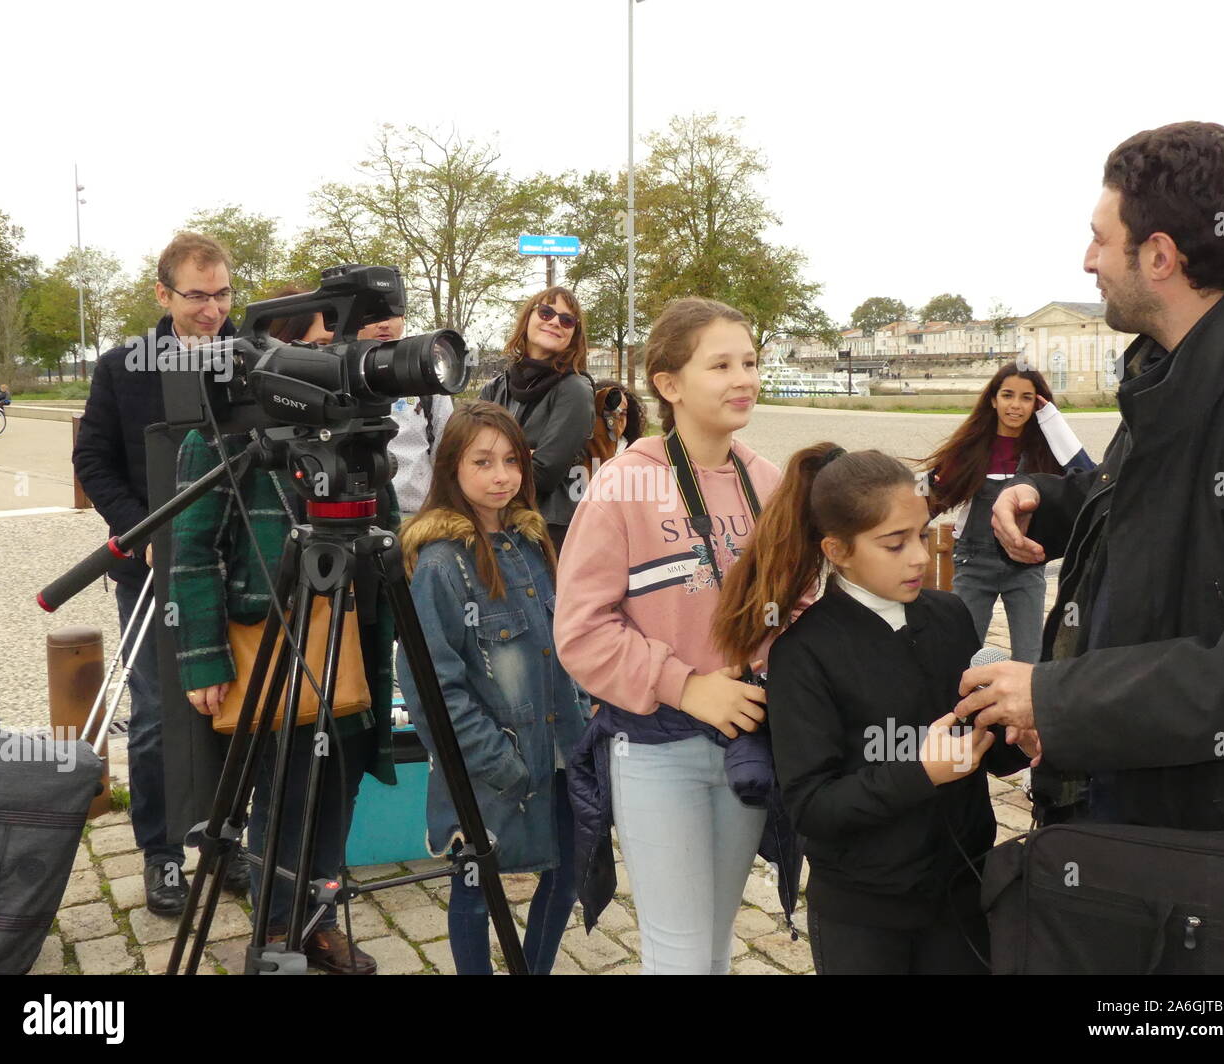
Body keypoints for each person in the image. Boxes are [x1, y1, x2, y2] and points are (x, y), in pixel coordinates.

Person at [970, 121, 1224, 831]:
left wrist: (1058, 700)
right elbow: (1162, 503)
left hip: (1206, 843)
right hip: (1132, 805)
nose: (1087, 260)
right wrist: (1046, 502)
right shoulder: (1175, 365)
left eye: (1101, 238)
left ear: (1160, 256)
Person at [712, 444, 1032, 973]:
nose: (918, 556)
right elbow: (813, 806)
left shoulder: (950, 616)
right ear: (837, 550)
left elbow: (982, 747)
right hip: (864, 914)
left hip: (963, 892)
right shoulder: (803, 653)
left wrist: (1016, 736)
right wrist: (921, 772)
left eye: (923, 535)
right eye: (894, 543)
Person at [553, 297, 798, 975]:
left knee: (714, 939)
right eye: (719, 364)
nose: (742, 377)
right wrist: (685, 686)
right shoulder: (622, 487)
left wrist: (767, 673)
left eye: (748, 361)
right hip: (655, 749)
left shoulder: (769, 483)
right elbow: (580, 630)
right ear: (668, 384)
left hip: (746, 743)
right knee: (680, 954)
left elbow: (800, 602)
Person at [167, 290, 399, 974]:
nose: (341, 356)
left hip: (354, 638)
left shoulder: (353, 427)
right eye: (326, 342)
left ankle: (317, 919)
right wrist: (202, 657)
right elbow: (191, 548)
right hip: (274, 642)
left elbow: (383, 525)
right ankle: (274, 933)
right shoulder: (223, 431)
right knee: (286, 792)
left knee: (340, 783)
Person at [73, 232, 246, 916]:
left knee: (240, 712)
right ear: (163, 293)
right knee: (155, 719)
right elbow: (94, 461)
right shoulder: (122, 368)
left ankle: (228, 845)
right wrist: (139, 531)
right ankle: (162, 854)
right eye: (197, 296)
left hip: (242, 569)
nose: (212, 309)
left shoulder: (255, 361)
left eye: (223, 294)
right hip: (153, 571)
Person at [395, 401, 589, 975]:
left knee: (567, 874)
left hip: (563, 753)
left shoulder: (532, 545)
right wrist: (498, 761)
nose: (501, 475)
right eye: (482, 462)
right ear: (451, 466)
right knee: (476, 886)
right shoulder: (439, 565)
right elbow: (435, 686)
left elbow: (565, 648)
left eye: (511, 461)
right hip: (490, 767)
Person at [921, 364, 1092, 663]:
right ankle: (962, 710)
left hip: (1025, 568)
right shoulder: (970, 449)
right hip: (973, 564)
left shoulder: (1045, 452)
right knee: (961, 654)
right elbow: (930, 498)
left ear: (1037, 404)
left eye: (1027, 397)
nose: (1015, 405)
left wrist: (1052, 420)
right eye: (1008, 395)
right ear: (993, 399)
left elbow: (1089, 477)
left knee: (1030, 658)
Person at [479, 287, 594, 553]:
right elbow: (469, 456)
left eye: (567, 320)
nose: (555, 322)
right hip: (493, 522)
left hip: (546, 530)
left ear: (573, 335)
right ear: (528, 319)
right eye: (546, 312)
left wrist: (494, 461)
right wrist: (522, 456)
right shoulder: (496, 387)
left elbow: (543, 474)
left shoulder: (574, 390)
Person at [359, 312, 454, 521]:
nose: (383, 323)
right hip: (354, 516)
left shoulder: (425, 375)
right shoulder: (336, 374)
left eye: (393, 316)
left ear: (403, 320)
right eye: (372, 316)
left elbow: (447, 453)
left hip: (418, 517)